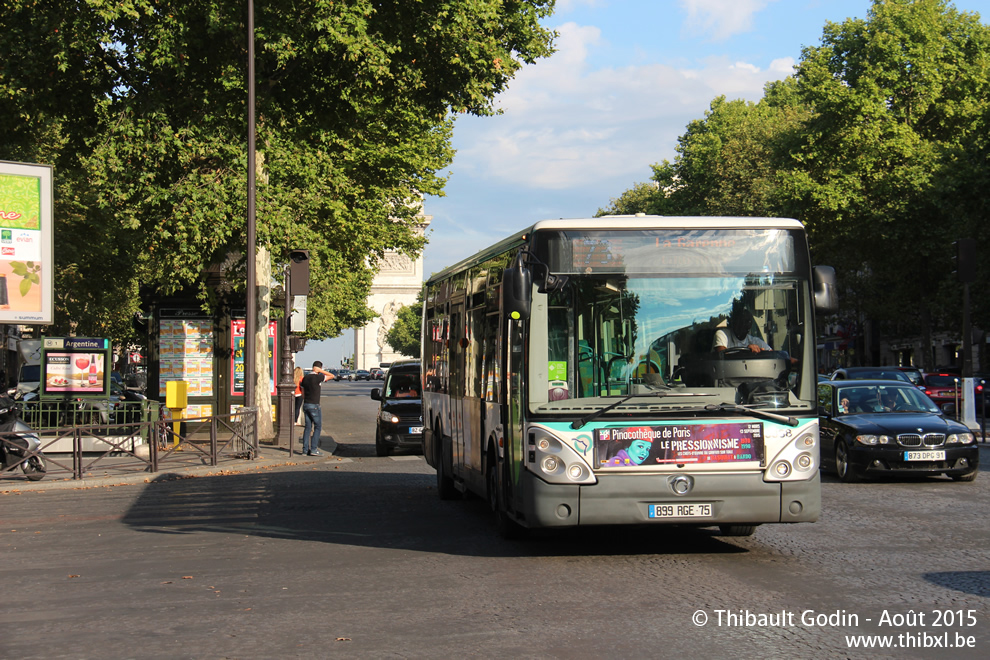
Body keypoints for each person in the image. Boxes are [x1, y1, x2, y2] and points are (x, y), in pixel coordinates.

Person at [299, 361, 334, 456]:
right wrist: (321, 371)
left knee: (308, 427)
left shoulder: (305, 378)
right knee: (317, 426)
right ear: (319, 368)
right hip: (314, 404)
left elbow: (303, 394)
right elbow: (331, 376)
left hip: (306, 404)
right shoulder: (318, 377)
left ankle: (305, 450)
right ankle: (314, 449)